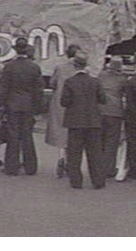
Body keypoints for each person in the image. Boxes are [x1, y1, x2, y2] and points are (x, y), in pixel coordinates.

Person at [0, 37, 44, 176]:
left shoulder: (9, 67)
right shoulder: (34, 67)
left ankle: (11, 167)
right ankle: (30, 166)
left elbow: (4, 88)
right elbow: (39, 90)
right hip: (28, 104)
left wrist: (1, 106)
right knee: (27, 135)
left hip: (13, 104)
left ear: (15, 50)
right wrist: (38, 108)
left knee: (13, 136)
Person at [61, 51, 106, 189]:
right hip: (93, 121)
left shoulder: (69, 82)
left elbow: (64, 102)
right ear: (86, 65)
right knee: (95, 153)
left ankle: (76, 181)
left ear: (75, 65)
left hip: (75, 122)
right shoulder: (95, 82)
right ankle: (98, 181)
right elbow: (102, 99)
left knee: (74, 153)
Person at [45, 43, 80, 178]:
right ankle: (70, 161)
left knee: (60, 130)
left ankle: (61, 157)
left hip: (59, 102)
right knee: (72, 132)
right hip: (75, 103)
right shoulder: (80, 69)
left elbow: (52, 83)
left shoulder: (60, 68)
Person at [98, 56, 127, 179]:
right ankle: (108, 169)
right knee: (111, 142)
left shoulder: (101, 76)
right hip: (115, 112)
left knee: (100, 141)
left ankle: (97, 167)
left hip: (100, 110)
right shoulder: (122, 79)